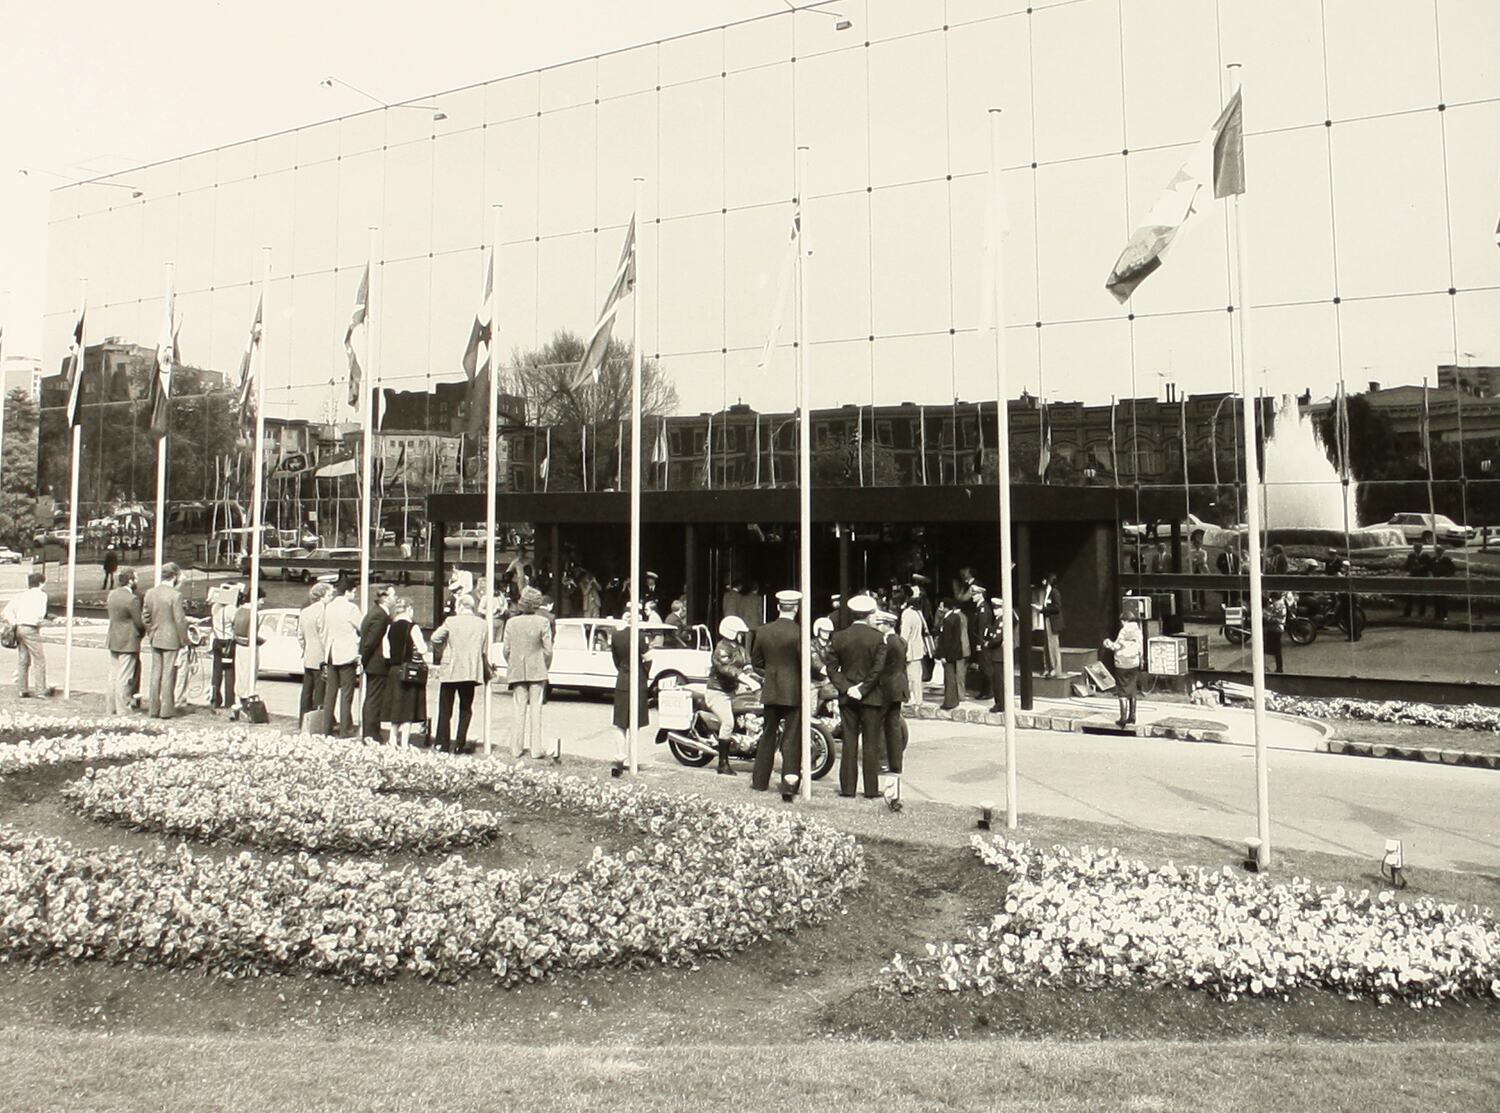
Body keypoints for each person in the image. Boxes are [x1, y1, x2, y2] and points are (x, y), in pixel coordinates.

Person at [826, 595, 888, 799]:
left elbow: (832, 669)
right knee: (871, 744)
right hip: (871, 697)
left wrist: (846, 688)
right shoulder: (878, 638)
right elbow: (878, 669)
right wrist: (863, 689)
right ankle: (871, 789)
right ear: (870, 615)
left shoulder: (838, 637)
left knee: (849, 742)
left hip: (847, 697)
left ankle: (848, 788)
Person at [750, 589, 804, 796]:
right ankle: (790, 783)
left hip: (771, 689)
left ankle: (760, 781)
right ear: (796, 609)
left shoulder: (763, 631)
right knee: (791, 738)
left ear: (778, 607)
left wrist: (771, 673)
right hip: (793, 691)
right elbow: (803, 661)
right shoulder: (799, 632)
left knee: (768, 735)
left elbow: (756, 663)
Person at [430, 592, 491, 754]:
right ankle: (459, 744)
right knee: (465, 708)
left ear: (459, 606)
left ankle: (442, 743)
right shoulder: (482, 624)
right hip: (470, 670)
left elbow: (435, 638)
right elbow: (484, 649)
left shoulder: (451, 621)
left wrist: (443, 649)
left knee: (445, 708)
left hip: (451, 668)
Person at [502, 585, 553, 758]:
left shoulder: (511, 623)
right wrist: (545, 665)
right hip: (537, 669)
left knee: (518, 708)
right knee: (536, 709)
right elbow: (548, 650)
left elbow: (506, 650)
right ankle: (535, 750)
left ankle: (516, 749)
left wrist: (513, 662)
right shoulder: (543, 622)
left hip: (517, 669)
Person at [706, 614, 752, 775]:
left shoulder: (739, 648)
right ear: (731, 632)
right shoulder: (722, 649)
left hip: (733, 690)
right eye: (739, 632)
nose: (742, 635)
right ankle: (722, 763)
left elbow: (746, 664)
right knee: (728, 722)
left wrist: (754, 675)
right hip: (718, 692)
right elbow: (727, 669)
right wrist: (745, 679)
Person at [141, 562, 188, 719]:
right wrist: (184, 639)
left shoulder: (150, 593)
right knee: (168, 673)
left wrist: (151, 631)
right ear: (174, 576)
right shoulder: (175, 595)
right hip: (171, 638)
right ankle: (166, 709)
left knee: (155, 673)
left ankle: (153, 708)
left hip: (156, 637)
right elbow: (180, 620)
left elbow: (145, 616)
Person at [383, 597, 431, 746]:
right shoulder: (412, 627)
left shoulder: (390, 627)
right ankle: (404, 742)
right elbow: (422, 648)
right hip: (408, 671)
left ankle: (392, 739)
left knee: (396, 707)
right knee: (408, 708)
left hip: (393, 669)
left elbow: (386, 652)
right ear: (409, 609)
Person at [610, 613, 652, 775]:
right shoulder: (641, 637)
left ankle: (621, 755)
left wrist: (623, 671)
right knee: (635, 723)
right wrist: (644, 674)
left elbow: (615, 659)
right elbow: (648, 659)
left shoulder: (616, 636)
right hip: (638, 680)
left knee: (620, 722)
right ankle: (633, 757)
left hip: (622, 679)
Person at [321, 579, 362, 736]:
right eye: (353, 592)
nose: (354, 595)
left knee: (330, 693)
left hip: (331, 652)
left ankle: (326, 728)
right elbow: (361, 627)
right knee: (346, 694)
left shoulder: (329, 607)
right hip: (346, 653)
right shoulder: (351, 608)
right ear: (347, 592)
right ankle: (345, 729)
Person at [3, 571, 52, 699]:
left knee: (23, 659)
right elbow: (40, 614)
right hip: (31, 628)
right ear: (41, 583)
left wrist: (14, 622)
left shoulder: (21, 595)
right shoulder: (41, 596)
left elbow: (6, 611)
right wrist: (42, 622)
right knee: (39, 658)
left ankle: (22, 689)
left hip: (19, 627)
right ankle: (40, 689)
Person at [873, 609, 908, 781]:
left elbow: (880, 667)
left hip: (886, 688)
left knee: (879, 725)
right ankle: (896, 763)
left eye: (880, 624)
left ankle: (881, 762)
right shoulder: (901, 641)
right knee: (894, 726)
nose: (878, 627)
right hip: (899, 687)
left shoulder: (887, 643)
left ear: (887, 625)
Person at [104, 567, 144, 715]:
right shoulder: (131, 599)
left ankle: (111, 707)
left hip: (114, 638)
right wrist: (141, 633)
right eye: (136, 578)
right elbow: (139, 622)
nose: (137, 581)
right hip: (128, 640)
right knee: (125, 675)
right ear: (131, 580)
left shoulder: (112, 595)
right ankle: (123, 708)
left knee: (113, 674)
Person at [359, 584, 396, 740]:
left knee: (373, 697)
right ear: (385, 598)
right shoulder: (380, 615)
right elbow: (371, 642)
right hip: (376, 663)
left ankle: (372, 731)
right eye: (394, 595)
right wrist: (364, 660)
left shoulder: (375, 612)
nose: (396, 598)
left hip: (373, 662)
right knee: (374, 699)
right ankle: (371, 734)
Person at [295, 583, 330, 733]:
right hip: (321, 657)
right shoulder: (322, 612)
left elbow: (300, 636)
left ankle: (303, 721)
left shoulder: (305, 612)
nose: (331, 598)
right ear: (321, 596)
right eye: (329, 595)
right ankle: (317, 723)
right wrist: (327, 655)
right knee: (320, 691)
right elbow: (324, 635)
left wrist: (306, 648)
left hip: (308, 655)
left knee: (307, 691)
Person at [1103, 608, 1143, 729]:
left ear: (1125, 620)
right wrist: (1141, 660)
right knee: (1132, 687)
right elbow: (1141, 647)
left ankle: (1123, 718)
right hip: (1134, 663)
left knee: (1122, 689)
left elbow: (1116, 646)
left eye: (1122, 621)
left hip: (1122, 663)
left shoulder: (1124, 631)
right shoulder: (1138, 631)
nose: (1121, 623)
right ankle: (1133, 715)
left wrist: (1107, 643)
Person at [231, 585, 267, 710]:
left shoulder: (239, 610)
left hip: (239, 646)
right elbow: (252, 635)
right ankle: (247, 698)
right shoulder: (253, 614)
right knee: (250, 673)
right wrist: (261, 640)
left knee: (240, 673)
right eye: (261, 599)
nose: (262, 602)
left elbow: (234, 628)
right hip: (249, 648)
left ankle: (239, 697)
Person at [208, 584, 239, 712]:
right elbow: (235, 624)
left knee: (216, 671)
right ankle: (229, 700)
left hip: (217, 640)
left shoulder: (215, 607)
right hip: (228, 642)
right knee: (229, 672)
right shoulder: (232, 609)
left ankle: (214, 699)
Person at [935, 598, 968, 711]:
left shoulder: (948, 620)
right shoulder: (956, 617)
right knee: (952, 676)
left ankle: (950, 701)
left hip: (948, 653)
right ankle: (954, 699)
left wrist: (943, 655)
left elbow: (947, 640)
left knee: (949, 677)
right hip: (955, 652)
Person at [898, 589, 927, 708]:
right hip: (918, 647)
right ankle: (917, 698)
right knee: (916, 676)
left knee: (911, 676)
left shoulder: (907, 614)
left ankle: (913, 698)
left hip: (910, 649)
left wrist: (900, 648)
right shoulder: (918, 613)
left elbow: (904, 634)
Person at [1034, 572, 1063, 678]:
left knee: (1053, 645)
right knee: (1046, 645)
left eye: (1044, 580)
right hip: (1046, 620)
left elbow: (1057, 608)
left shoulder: (1055, 592)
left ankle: (1055, 669)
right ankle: (1047, 667)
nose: (1042, 582)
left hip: (1052, 622)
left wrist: (1042, 609)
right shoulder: (1047, 592)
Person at [982, 597, 1008, 713]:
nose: (995, 611)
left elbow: (997, 638)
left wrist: (989, 643)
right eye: (994, 608)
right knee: (997, 681)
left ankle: (1000, 704)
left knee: (999, 682)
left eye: (997, 608)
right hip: (996, 655)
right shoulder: (997, 620)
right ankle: (999, 702)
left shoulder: (1002, 621)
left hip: (998, 655)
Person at [1402, 541, 1431, 619]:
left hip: (1422, 577)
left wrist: (1421, 567)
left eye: (1418, 547)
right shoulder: (1411, 556)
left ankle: (1422, 613)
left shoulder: (1426, 556)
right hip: (1413, 577)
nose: (1416, 549)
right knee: (1409, 595)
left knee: (1422, 596)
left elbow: (1429, 566)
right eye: (1415, 548)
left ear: (1421, 548)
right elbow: (1406, 566)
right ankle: (1407, 612)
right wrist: (1411, 568)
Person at [1263, 591, 1286, 674]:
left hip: (1274, 629)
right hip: (1277, 629)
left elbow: (1274, 618)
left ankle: (1277, 668)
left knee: (1271, 649)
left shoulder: (1277, 605)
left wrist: (1266, 615)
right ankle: (1278, 668)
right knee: (1276, 650)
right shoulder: (1280, 604)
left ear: (1274, 598)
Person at [1431, 544, 1455, 622]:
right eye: (1437, 551)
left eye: (1440, 551)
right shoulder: (1433, 560)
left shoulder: (1447, 560)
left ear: (1443, 552)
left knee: (1443, 599)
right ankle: (1437, 615)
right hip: (1435, 582)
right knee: (1436, 599)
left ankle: (1445, 615)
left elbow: (1452, 570)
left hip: (1443, 582)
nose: (1438, 552)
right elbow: (1429, 568)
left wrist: (1446, 576)